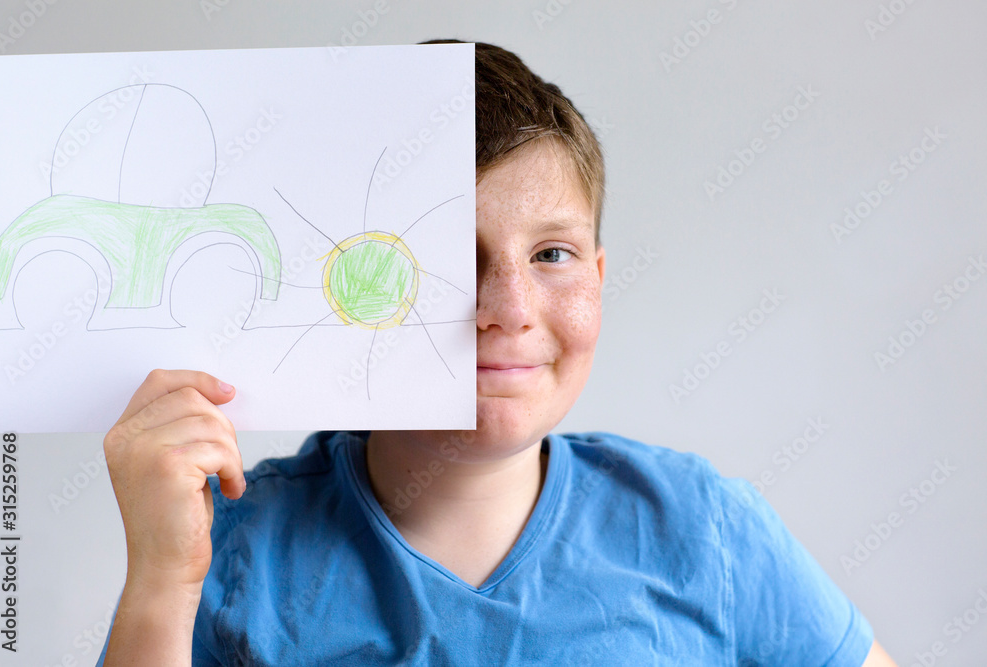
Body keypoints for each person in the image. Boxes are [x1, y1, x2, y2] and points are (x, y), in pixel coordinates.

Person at [97, 41, 897, 665]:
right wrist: (162, 583)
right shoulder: (233, 547)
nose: (507, 309)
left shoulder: (700, 525)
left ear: (599, 275)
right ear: (351, 279)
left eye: (551, 254)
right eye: (448, 254)